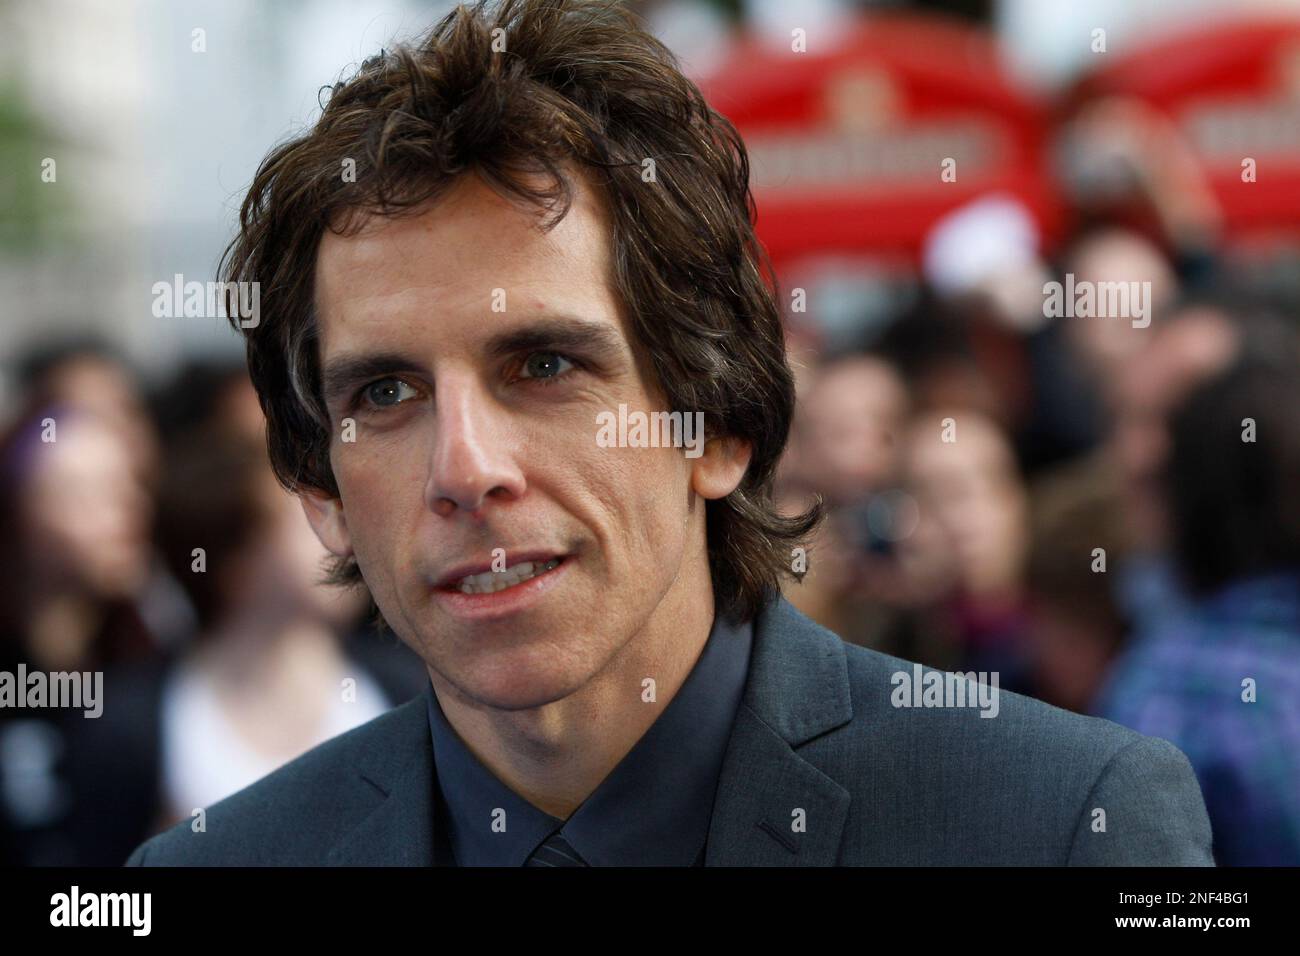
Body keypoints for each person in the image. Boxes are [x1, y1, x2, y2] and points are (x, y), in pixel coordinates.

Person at [127, 0, 1210, 866]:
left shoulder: (1061, 825)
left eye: (544, 365)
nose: (466, 468)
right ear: (321, 491)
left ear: (721, 422)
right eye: (385, 395)